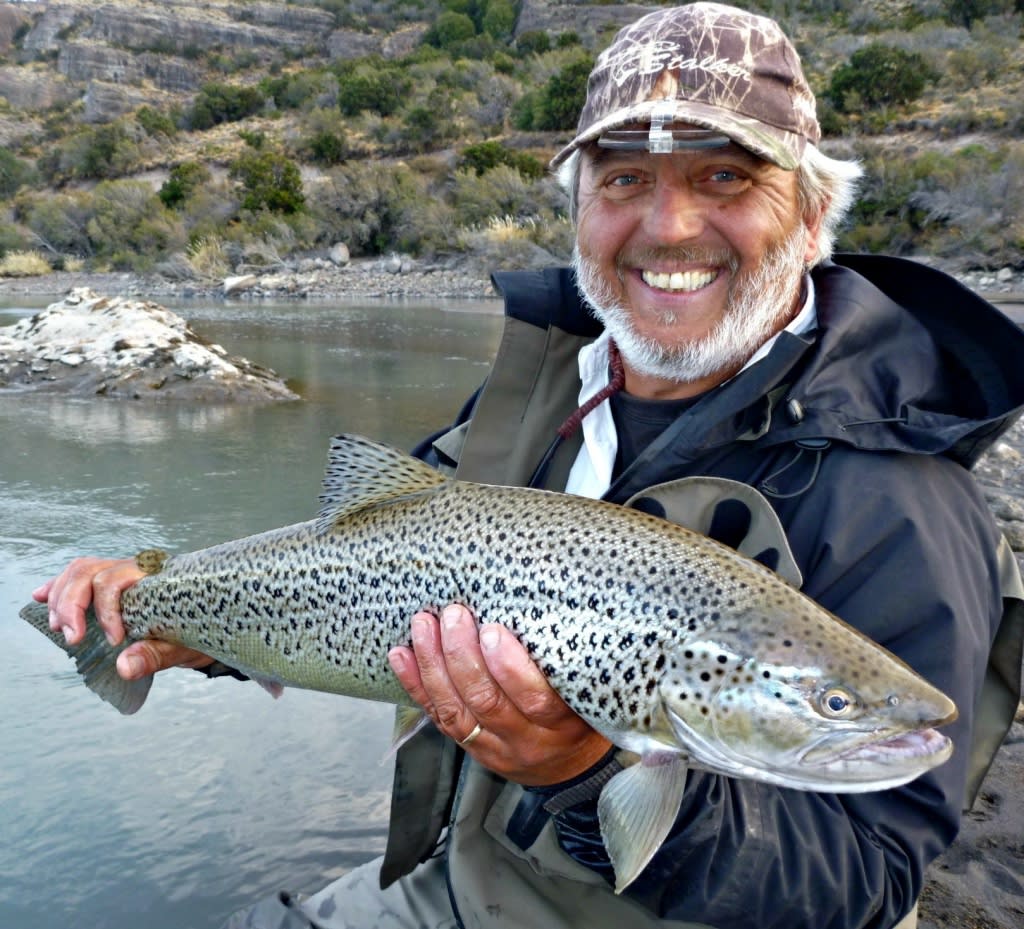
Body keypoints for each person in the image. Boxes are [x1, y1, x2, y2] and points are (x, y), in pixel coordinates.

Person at [34, 4, 1024, 929]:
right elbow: (354, 569)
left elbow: (865, 880)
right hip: (462, 876)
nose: (669, 225)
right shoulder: (551, 385)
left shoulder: (899, 501)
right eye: (623, 179)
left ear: (811, 218)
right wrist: (179, 616)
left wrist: (583, 772)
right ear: (580, 210)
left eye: (726, 177)